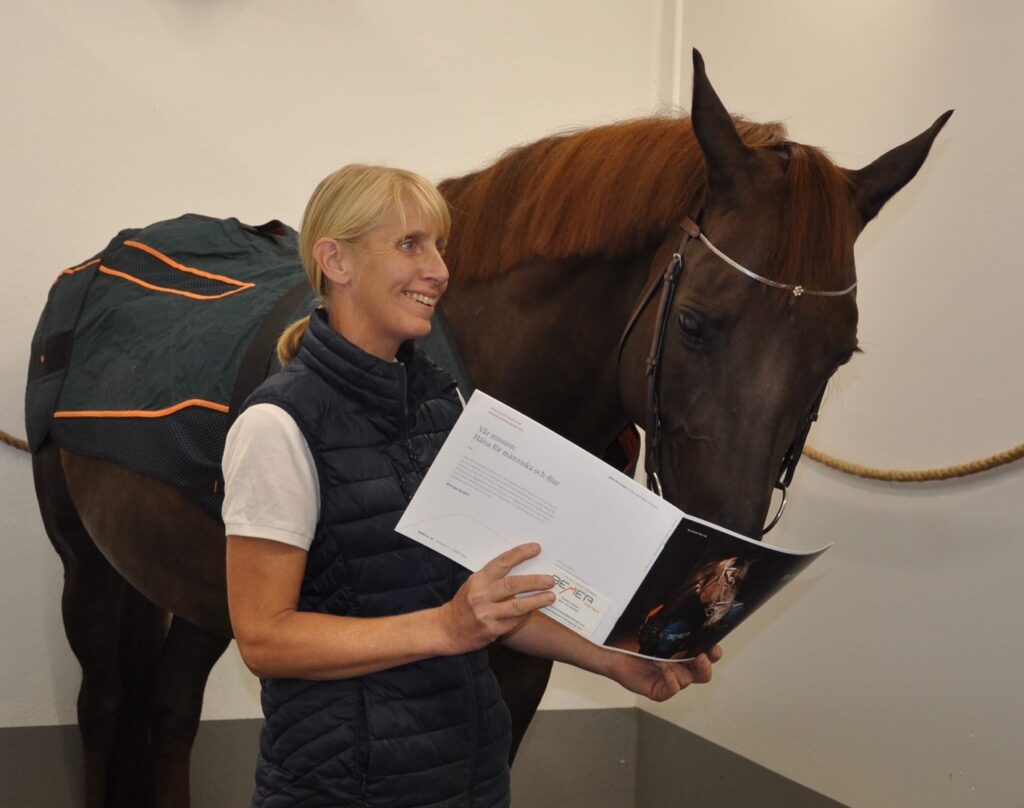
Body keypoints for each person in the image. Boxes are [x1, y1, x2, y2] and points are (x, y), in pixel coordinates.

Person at [223, 164, 722, 807]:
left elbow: (487, 605)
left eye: (439, 246)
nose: (439, 270)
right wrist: (444, 628)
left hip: (471, 781)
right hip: (345, 789)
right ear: (335, 261)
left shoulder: (443, 409)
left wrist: (616, 656)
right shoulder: (276, 426)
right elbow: (264, 638)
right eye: (411, 244)